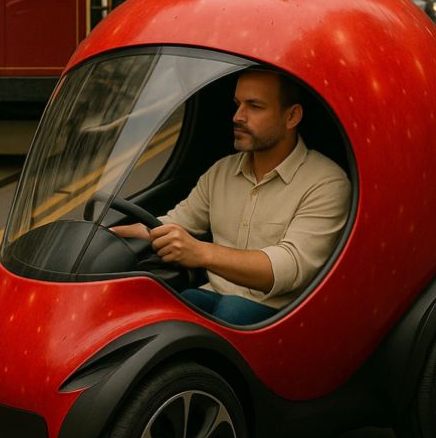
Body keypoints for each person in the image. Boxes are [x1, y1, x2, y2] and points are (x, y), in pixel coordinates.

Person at [112, 69, 351, 325]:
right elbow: (171, 225)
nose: (238, 117)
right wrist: (109, 234)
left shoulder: (327, 182)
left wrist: (202, 252)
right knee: (153, 312)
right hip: (215, 296)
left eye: (255, 106)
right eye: (237, 105)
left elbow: (288, 268)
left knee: (232, 312)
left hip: (281, 317)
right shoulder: (221, 172)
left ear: (292, 116)